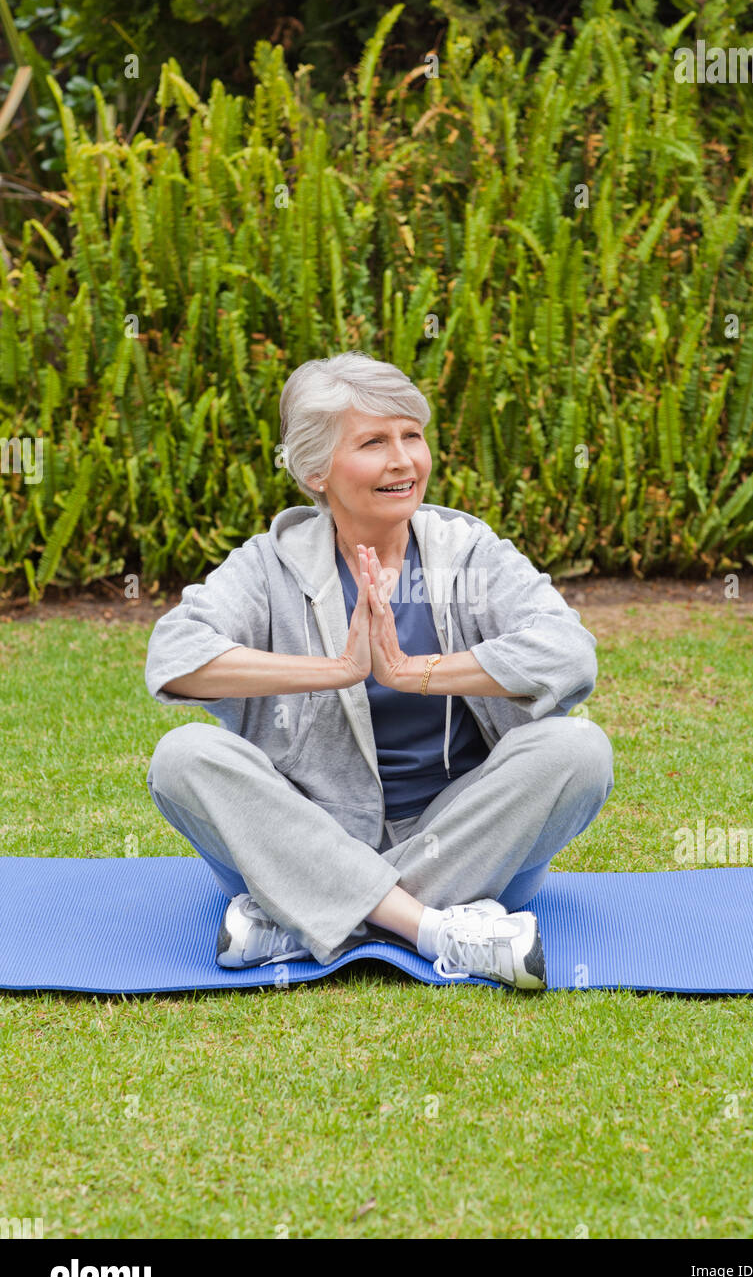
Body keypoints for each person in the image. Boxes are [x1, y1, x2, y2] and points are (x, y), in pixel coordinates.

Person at [144, 351, 614, 991]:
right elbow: (175, 656)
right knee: (183, 755)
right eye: (373, 442)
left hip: (465, 840)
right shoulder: (267, 565)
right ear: (316, 470)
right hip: (306, 830)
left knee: (578, 748)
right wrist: (335, 668)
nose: (404, 460)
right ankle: (438, 929)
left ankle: (301, 917)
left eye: (412, 436)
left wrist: (412, 671)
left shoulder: (468, 550)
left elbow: (568, 652)